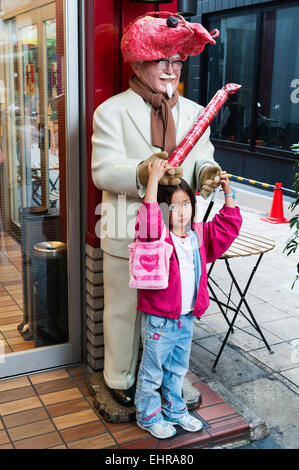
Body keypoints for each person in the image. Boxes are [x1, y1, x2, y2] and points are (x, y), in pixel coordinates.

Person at [91, 11, 223, 408]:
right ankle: (119, 378)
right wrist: (141, 170)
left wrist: (207, 173)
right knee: (124, 312)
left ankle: (169, 377)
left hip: (178, 237)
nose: (171, 69)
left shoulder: (197, 112)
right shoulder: (111, 111)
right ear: (138, 62)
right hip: (127, 228)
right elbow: (102, 170)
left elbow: (204, 157)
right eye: (161, 60)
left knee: (177, 315)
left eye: (177, 60)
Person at [133, 159, 242, 439]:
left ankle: (175, 409)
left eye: (186, 204)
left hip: (185, 318)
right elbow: (148, 220)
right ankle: (148, 414)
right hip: (160, 319)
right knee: (153, 370)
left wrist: (228, 195)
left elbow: (226, 228)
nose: (181, 212)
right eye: (174, 206)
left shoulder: (199, 236)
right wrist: (153, 180)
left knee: (178, 369)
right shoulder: (159, 238)